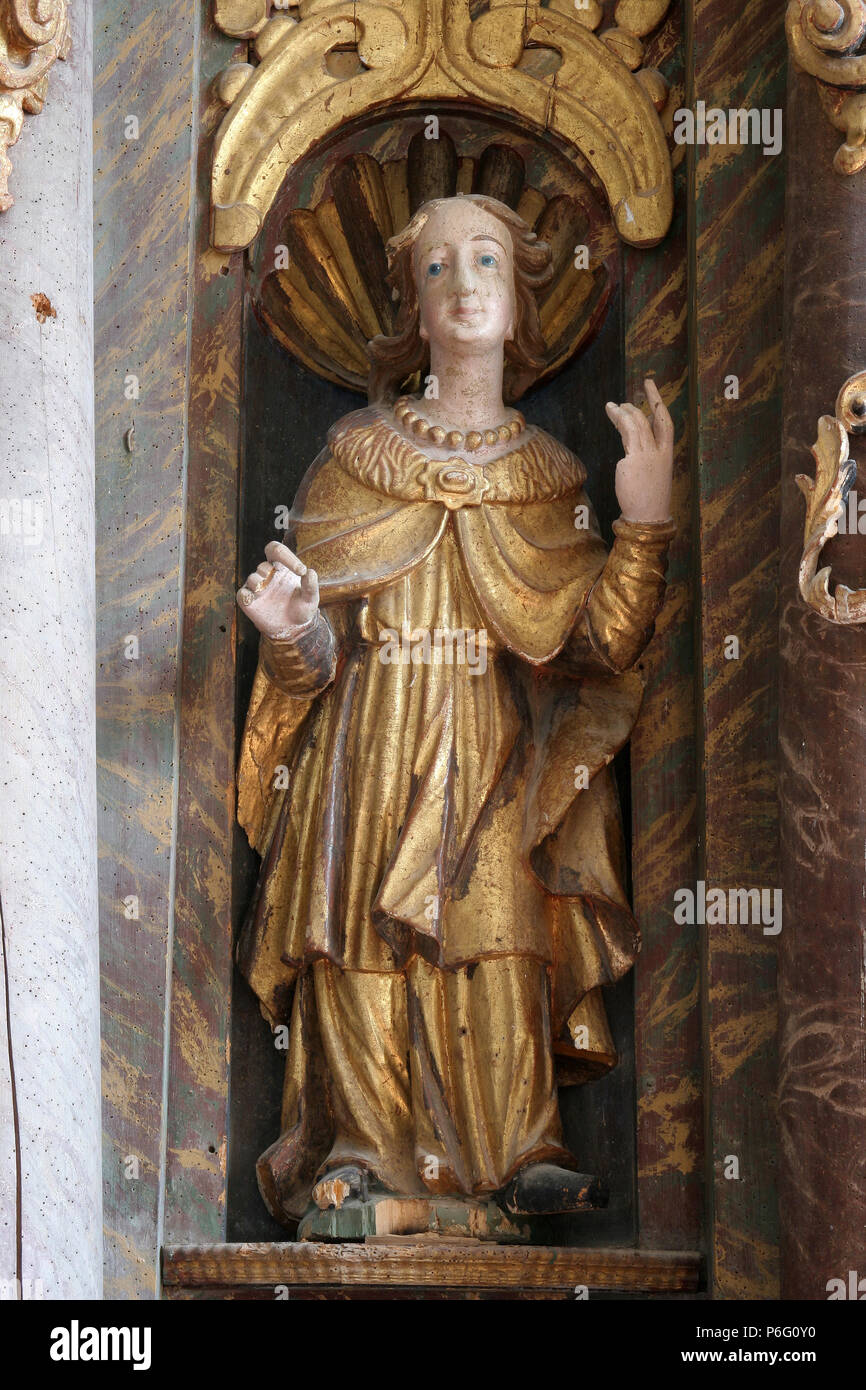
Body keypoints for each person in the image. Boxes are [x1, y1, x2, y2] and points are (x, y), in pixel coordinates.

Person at [235, 193, 675, 1228]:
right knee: (356, 940)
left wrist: (643, 525)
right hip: (367, 748)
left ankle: (518, 1152)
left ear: (520, 302)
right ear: (413, 313)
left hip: (492, 749)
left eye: (485, 260)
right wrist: (293, 632)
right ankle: (359, 1157)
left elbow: (598, 647)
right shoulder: (352, 456)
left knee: (497, 932)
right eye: (437, 268)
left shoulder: (546, 479)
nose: (465, 282)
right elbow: (310, 659)